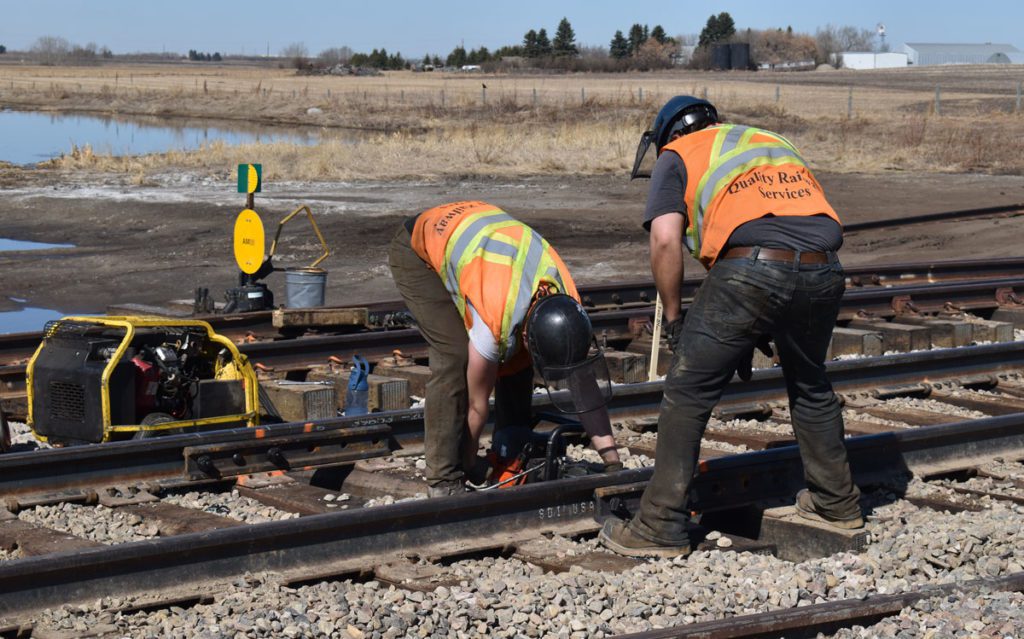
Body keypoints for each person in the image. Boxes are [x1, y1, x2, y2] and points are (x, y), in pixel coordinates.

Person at [599, 96, 863, 558]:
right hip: (825, 267)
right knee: (809, 384)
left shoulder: (678, 154)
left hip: (753, 266)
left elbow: (665, 240)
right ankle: (836, 504)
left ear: (668, 136)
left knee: (689, 390)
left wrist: (678, 319)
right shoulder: (769, 141)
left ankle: (659, 524)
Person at [388, 200, 622, 497]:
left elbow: (582, 383)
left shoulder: (568, 306)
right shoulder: (494, 323)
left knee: (516, 357)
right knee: (455, 357)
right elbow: (477, 404)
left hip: (481, 232)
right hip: (420, 246)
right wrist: (469, 461)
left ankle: (510, 448)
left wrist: (611, 459)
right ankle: (443, 477)